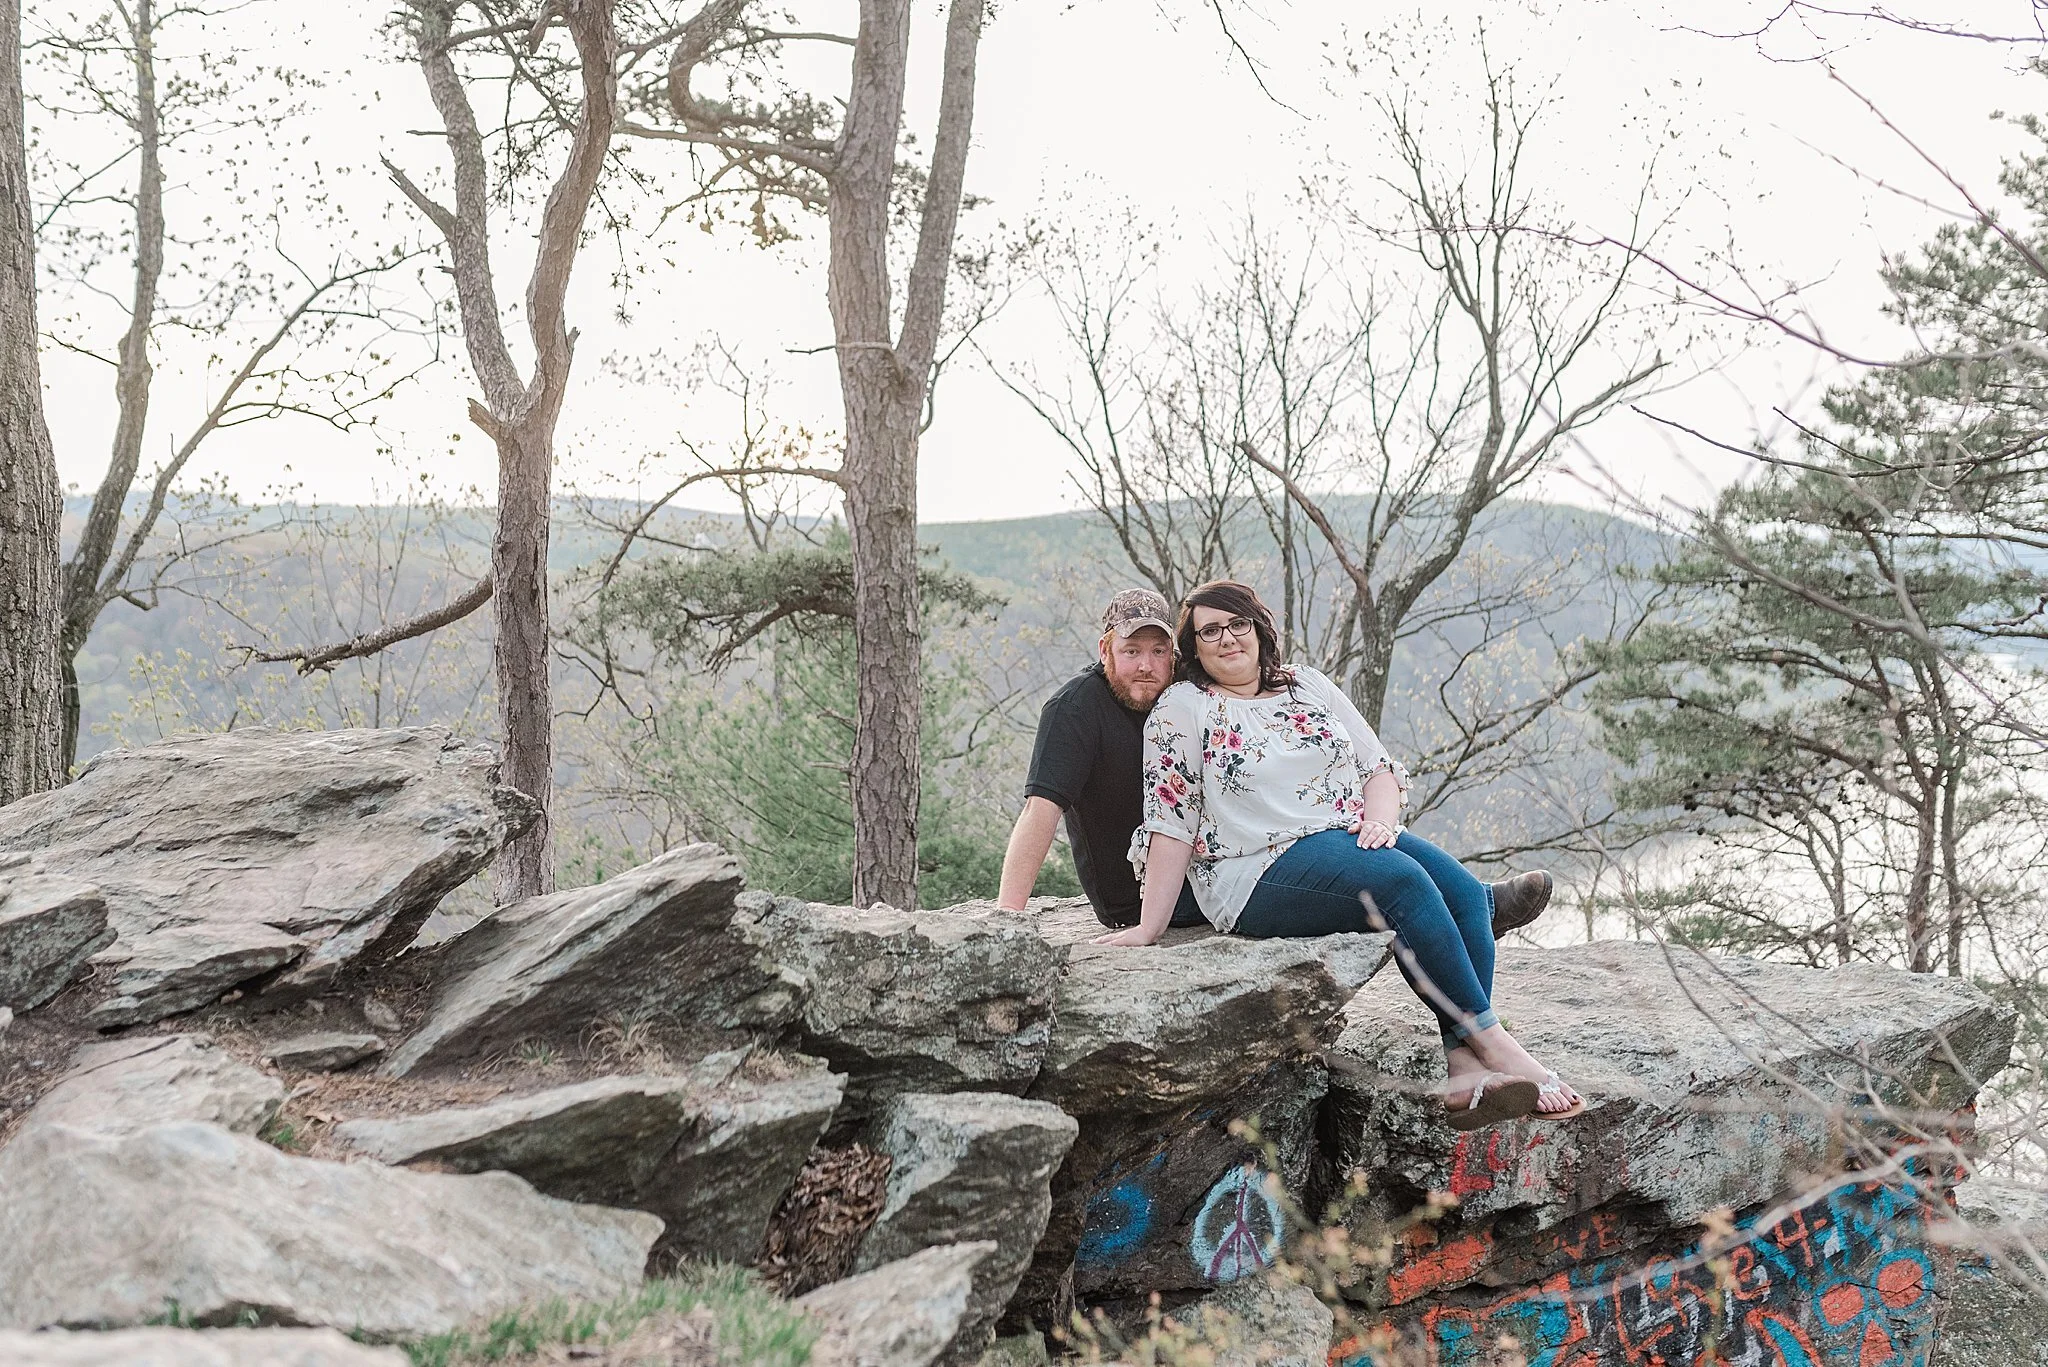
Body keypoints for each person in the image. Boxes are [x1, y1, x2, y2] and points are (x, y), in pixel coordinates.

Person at [1095, 579, 1581, 1131]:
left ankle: (1463, 1072)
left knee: (1465, 893)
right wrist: (1148, 926)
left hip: (1344, 838)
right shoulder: (1183, 708)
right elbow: (1170, 818)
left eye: (1237, 624)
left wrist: (1379, 821)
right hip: (1253, 868)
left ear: (1259, 629)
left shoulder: (1308, 686)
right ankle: (1494, 1043)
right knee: (1399, 882)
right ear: (1195, 647)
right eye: (1210, 631)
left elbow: (1378, 768)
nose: (1227, 638)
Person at [997, 589, 1208, 928]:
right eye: (1131, 651)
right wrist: (1006, 918)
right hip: (1138, 901)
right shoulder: (1075, 708)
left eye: (1158, 651)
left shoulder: (1187, 687)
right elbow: (1040, 810)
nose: (1146, 665)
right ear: (1105, 650)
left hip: (1209, 871)